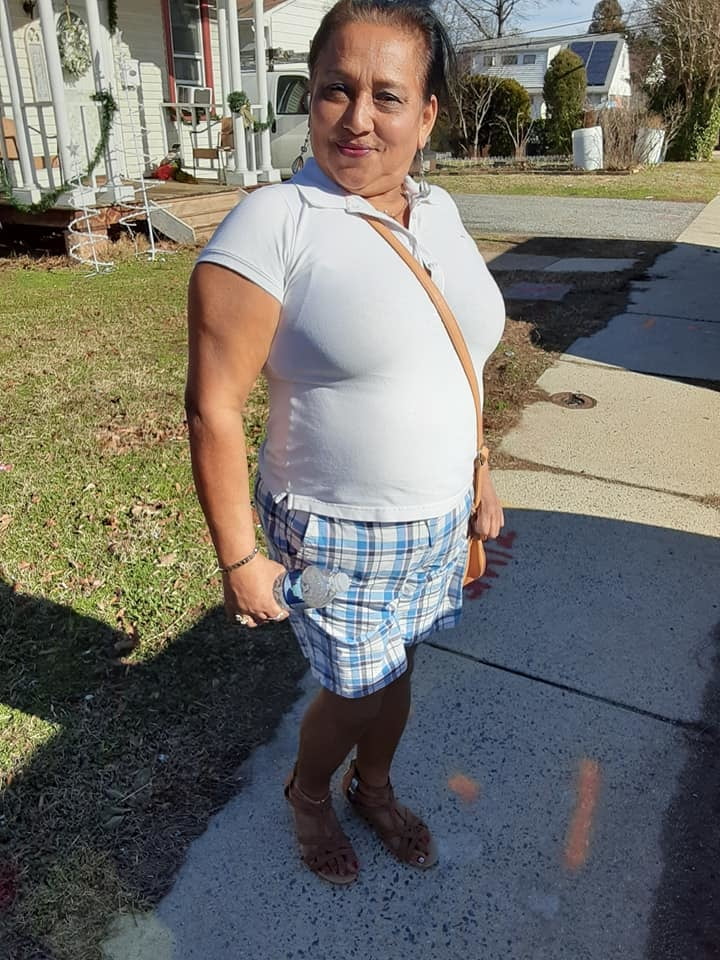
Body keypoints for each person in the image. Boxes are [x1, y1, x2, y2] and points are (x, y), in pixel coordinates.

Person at [185, 0, 506, 886]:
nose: (358, 117)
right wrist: (239, 558)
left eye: (387, 96)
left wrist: (480, 470)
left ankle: (375, 785)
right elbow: (212, 407)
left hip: (438, 518)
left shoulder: (438, 211)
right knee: (358, 687)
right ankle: (309, 793)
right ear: (311, 93)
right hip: (333, 531)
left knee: (399, 667)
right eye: (337, 89)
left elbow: (460, 354)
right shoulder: (276, 221)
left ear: (427, 114)